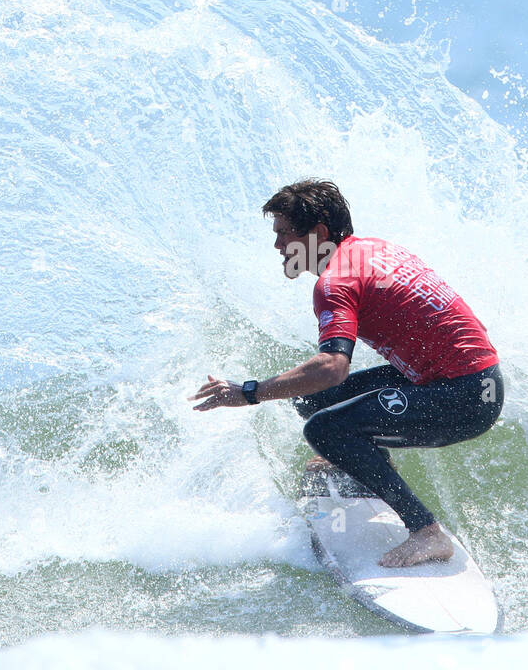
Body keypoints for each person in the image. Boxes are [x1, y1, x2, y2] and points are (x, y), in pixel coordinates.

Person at [188, 179, 503, 567]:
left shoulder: (334, 281)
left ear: (318, 234)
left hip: (463, 397)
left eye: (285, 233)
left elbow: (331, 368)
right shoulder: (375, 249)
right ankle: (358, 464)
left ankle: (426, 532)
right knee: (313, 399)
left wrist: (248, 392)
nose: (277, 246)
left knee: (324, 429)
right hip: (477, 379)